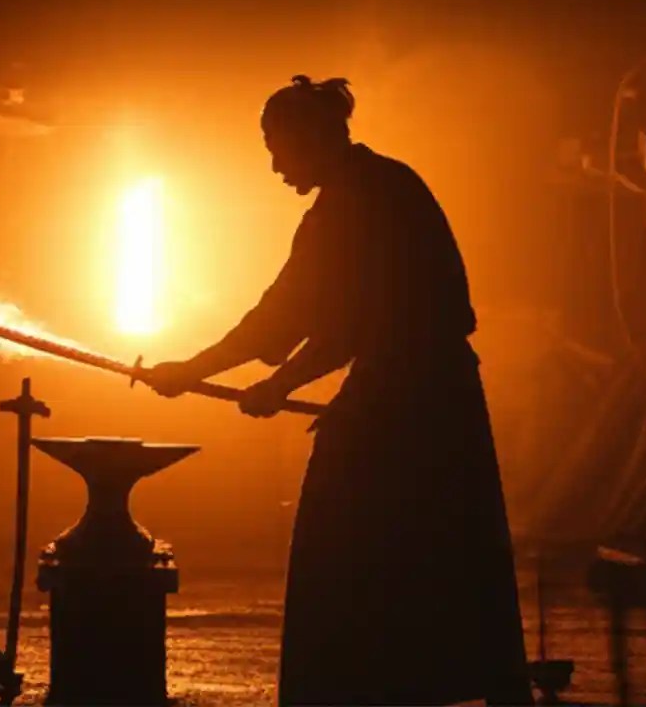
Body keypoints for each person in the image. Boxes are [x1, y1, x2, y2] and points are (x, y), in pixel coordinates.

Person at [142, 75, 533, 706]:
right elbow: (311, 319)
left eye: (276, 147)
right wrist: (218, 371)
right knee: (448, 551)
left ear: (308, 138)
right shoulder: (383, 184)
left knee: (343, 553)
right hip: (434, 395)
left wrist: (232, 376)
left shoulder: (353, 204)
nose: (273, 166)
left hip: (405, 402)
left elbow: (311, 321)